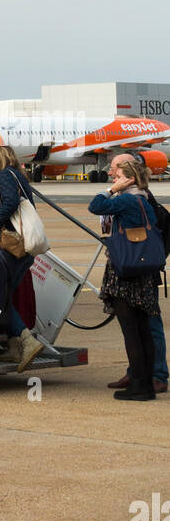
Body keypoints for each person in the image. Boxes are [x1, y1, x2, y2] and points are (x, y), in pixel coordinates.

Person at [89, 155, 161, 401]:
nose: (115, 179)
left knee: (132, 331)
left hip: (126, 273)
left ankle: (139, 385)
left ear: (129, 178)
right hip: (144, 272)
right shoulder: (145, 199)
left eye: (119, 176)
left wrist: (112, 189)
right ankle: (147, 384)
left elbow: (95, 205)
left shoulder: (128, 200)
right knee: (143, 330)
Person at [105, 153, 169, 395]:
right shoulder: (134, 197)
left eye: (114, 170)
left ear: (127, 173)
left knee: (148, 326)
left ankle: (157, 375)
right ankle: (137, 373)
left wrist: (148, 259)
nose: (110, 174)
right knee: (139, 327)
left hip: (140, 269)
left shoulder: (140, 199)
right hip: (137, 265)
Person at [0, 144, 44, 371]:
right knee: (5, 295)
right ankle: (13, 346)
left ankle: (26, 341)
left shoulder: (4, 176)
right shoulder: (19, 176)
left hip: (13, 247)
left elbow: (10, 202)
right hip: (24, 247)